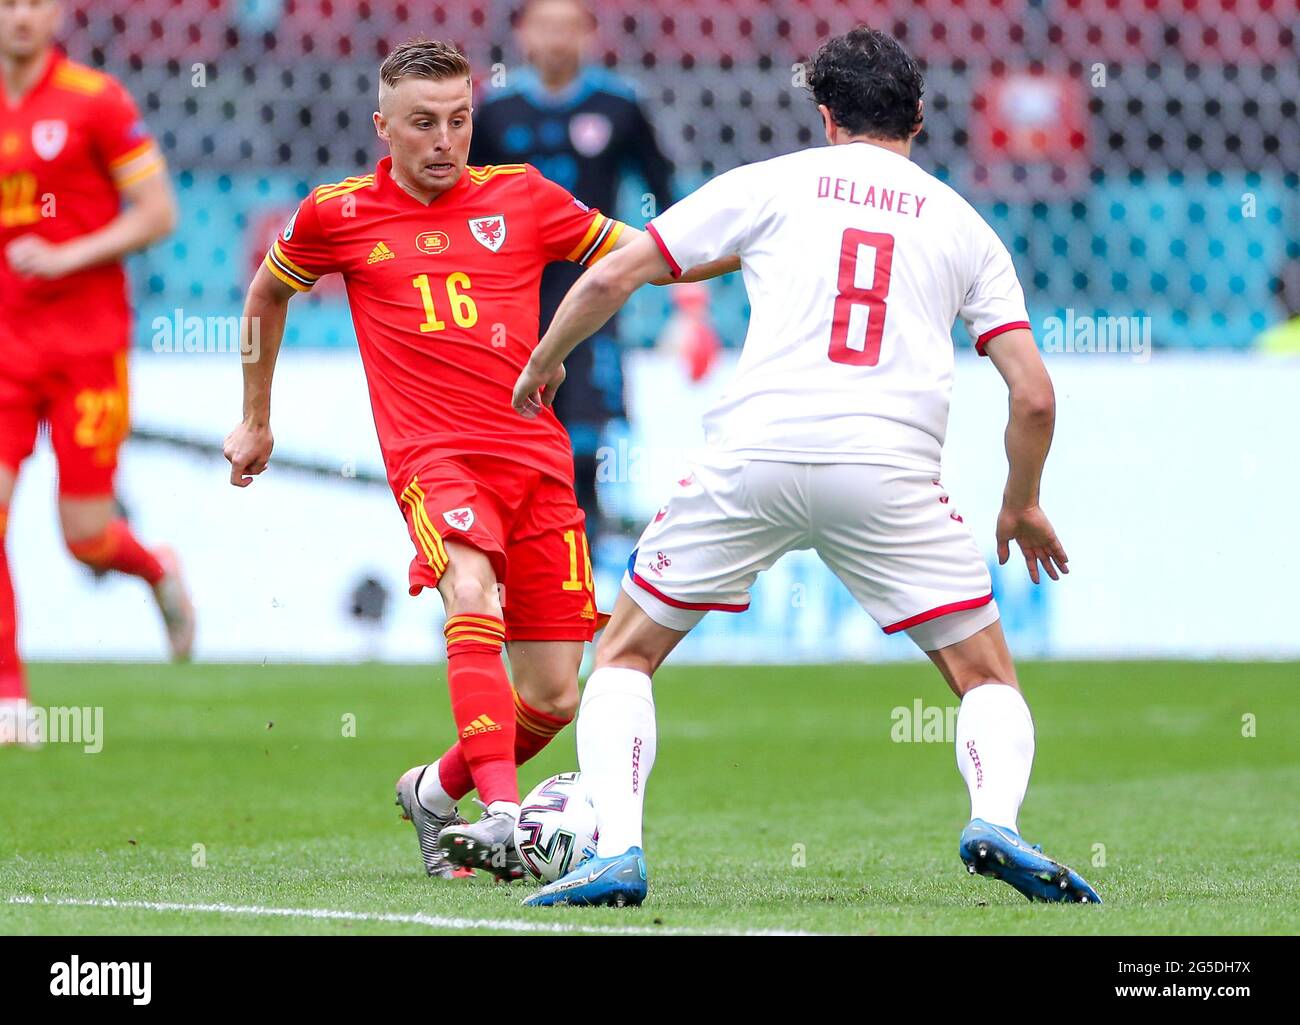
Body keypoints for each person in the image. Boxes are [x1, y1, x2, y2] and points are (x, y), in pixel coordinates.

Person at [512, 27, 1102, 908]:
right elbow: (1035, 396)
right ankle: (995, 818)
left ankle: (620, 849)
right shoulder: (965, 226)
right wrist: (1021, 501)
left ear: (825, 117)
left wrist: (546, 360)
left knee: (626, 655)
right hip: (890, 469)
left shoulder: (770, 183)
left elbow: (613, 275)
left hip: (756, 453)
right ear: (921, 115)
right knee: (984, 677)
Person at [222, 39, 732, 881]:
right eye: (422, 123)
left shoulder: (522, 197)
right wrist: (254, 417)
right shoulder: (337, 214)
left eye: (459, 121)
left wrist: (759, 247)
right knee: (468, 585)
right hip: (435, 459)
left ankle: (433, 789)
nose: (444, 140)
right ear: (382, 125)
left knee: (555, 696)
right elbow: (267, 291)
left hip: (535, 461)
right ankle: (500, 813)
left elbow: (634, 257)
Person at [0, 0, 193, 744]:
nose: (21, 16)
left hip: (86, 347)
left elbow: (158, 212)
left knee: (84, 536)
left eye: (35, 3)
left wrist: (65, 256)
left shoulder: (95, 100)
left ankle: (154, 567)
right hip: (6, 351)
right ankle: (11, 696)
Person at [472, 0, 675, 550]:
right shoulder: (496, 111)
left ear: (589, 34)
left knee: (588, 416)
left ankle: (583, 530)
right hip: (517, 291)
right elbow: (469, 198)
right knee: (517, 415)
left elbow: (658, 185)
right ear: (523, 35)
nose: (557, 40)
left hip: (595, 287)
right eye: (546, 27)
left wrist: (662, 254)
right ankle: (517, 535)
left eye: (569, 28)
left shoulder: (619, 105)